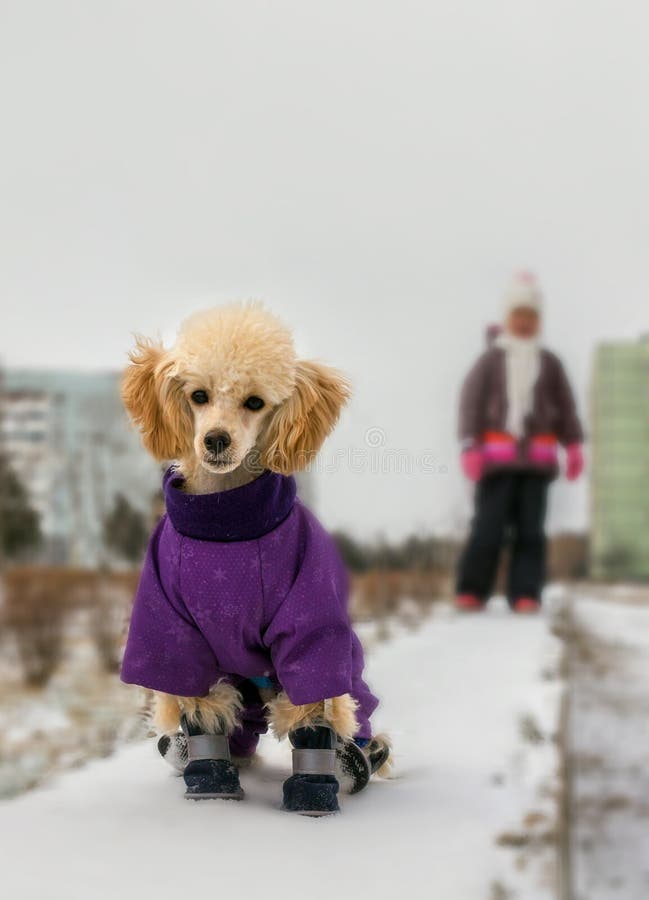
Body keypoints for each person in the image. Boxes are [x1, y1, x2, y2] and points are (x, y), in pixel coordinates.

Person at [455, 271, 584, 613]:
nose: (524, 322)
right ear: (507, 317)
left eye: (531, 316)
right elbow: (471, 403)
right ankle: (472, 589)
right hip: (496, 463)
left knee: (530, 533)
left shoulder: (550, 363)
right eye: (518, 315)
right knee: (488, 529)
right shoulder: (490, 361)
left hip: (537, 464)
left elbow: (566, 406)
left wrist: (573, 446)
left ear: (538, 320)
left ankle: (526, 593)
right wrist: (469, 444)